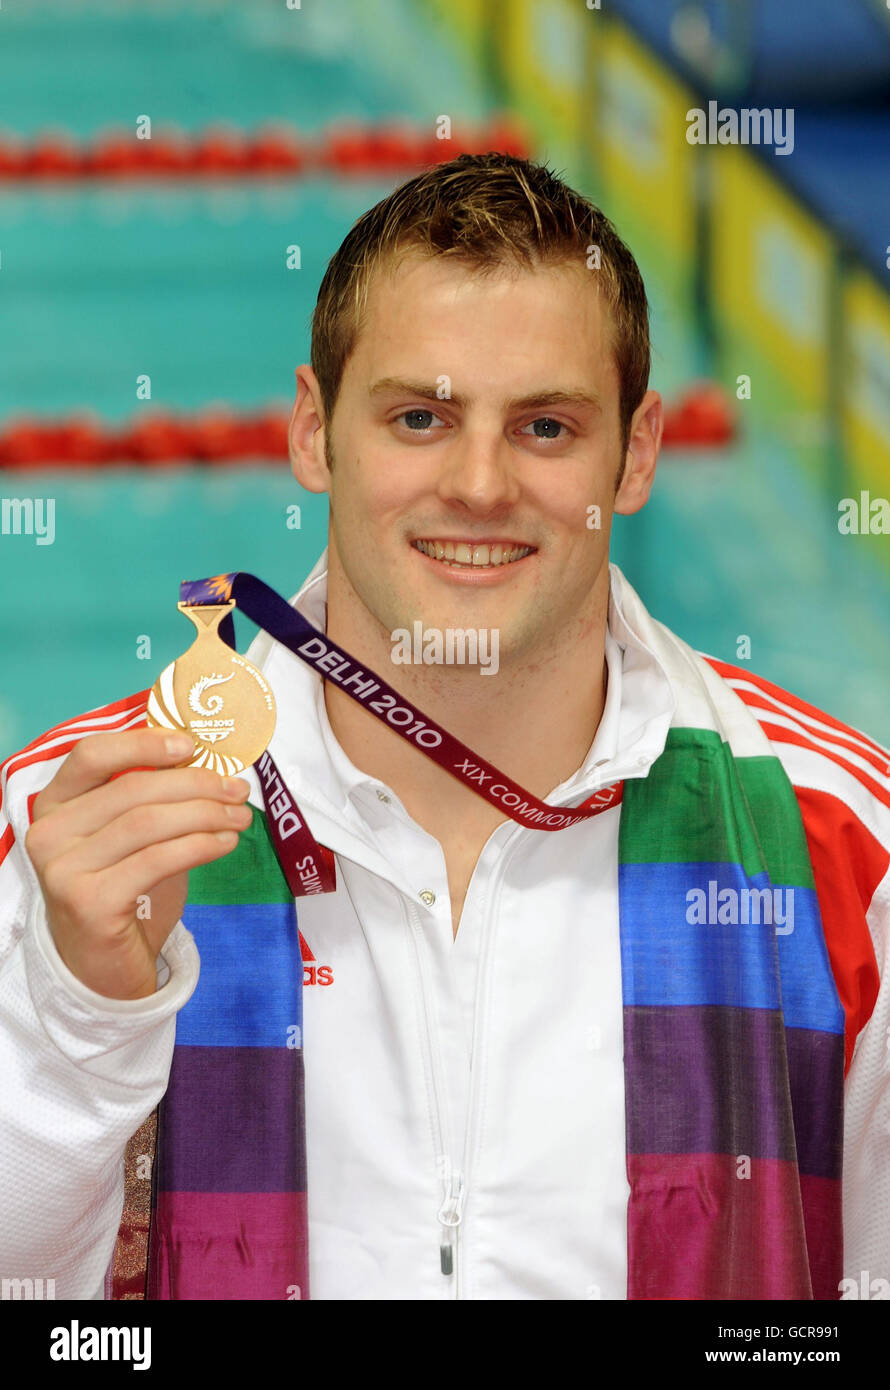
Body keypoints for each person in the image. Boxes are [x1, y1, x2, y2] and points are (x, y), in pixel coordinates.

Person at [0, 152, 888, 1302]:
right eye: (418, 416)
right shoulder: (63, 834)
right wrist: (81, 1015)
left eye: (546, 427)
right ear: (313, 434)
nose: (478, 483)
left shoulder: (839, 848)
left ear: (638, 451)